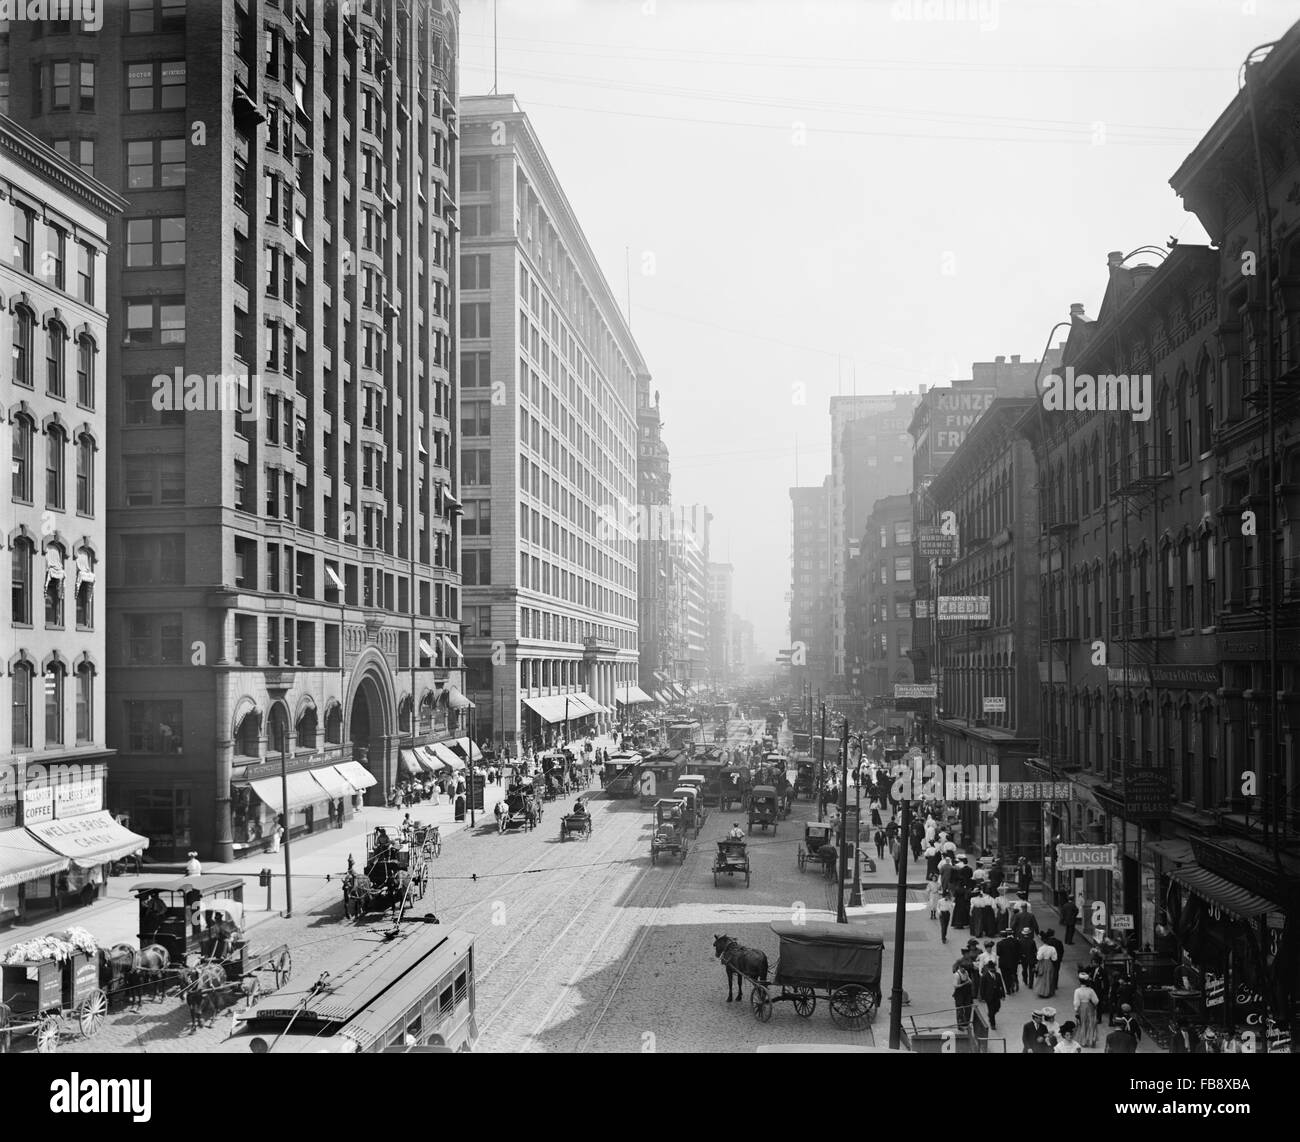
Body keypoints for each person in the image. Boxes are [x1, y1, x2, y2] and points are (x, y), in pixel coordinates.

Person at [1073, 972, 1100, 1048]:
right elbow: (1096, 1001)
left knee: (1083, 1023)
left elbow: (1076, 1002)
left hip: (1082, 1007)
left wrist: (1076, 1010)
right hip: (1090, 1007)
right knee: (1091, 1023)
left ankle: (1083, 1041)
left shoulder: (1077, 991)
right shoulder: (1091, 990)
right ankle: (1091, 1040)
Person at [979, 957, 1005, 1031]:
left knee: (997, 1007)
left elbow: (1001, 985)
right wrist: (982, 997)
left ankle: (991, 1015)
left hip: (997, 995)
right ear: (989, 969)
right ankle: (992, 1024)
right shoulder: (985, 976)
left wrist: (1003, 995)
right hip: (989, 996)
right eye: (991, 968)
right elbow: (982, 987)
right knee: (991, 1010)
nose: (993, 970)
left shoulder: (998, 975)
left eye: (994, 968)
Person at [952, 958, 976, 1031]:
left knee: (968, 1009)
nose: (964, 970)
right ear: (959, 967)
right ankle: (960, 1025)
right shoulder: (957, 975)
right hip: (959, 995)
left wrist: (970, 982)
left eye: (965, 969)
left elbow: (969, 979)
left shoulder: (966, 972)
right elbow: (955, 985)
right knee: (960, 1010)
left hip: (967, 994)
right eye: (962, 968)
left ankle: (966, 1023)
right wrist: (965, 983)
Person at [996, 928, 1020, 994]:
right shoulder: (1013, 941)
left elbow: (998, 953)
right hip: (1012, 961)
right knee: (1012, 973)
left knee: (1005, 977)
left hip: (1003, 963)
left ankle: (1008, 990)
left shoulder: (999, 943)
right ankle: (1014, 981)